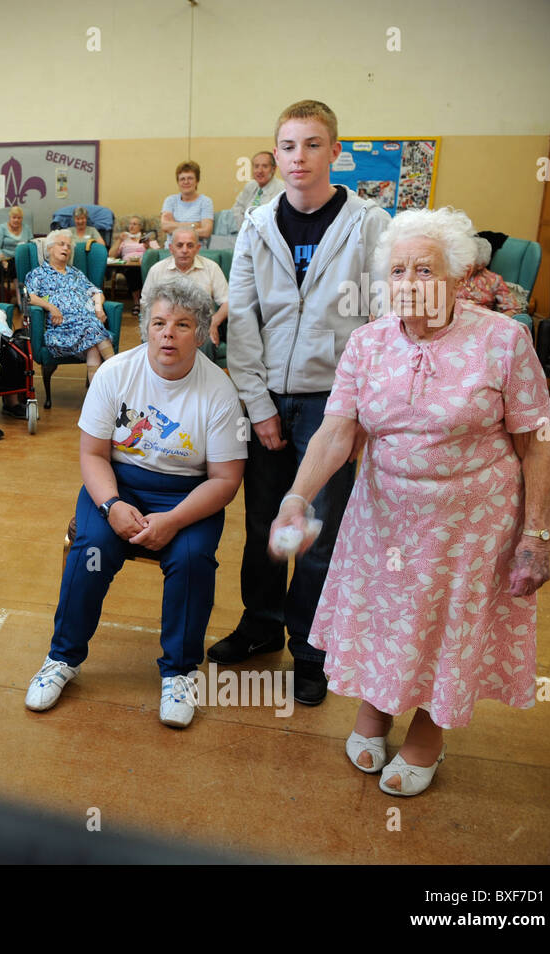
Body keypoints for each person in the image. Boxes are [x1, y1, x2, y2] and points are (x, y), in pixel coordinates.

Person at [271, 207, 550, 796]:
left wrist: (536, 534)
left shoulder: (504, 340)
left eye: (424, 270)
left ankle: (428, 732)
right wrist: (297, 497)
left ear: (458, 277)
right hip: (384, 515)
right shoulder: (369, 343)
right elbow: (337, 430)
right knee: (387, 617)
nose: (408, 283)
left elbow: (535, 443)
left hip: (471, 522)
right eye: (397, 271)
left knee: (445, 624)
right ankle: (375, 711)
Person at [216, 99, 390, 705]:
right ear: (275, 154)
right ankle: (259, 625)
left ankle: (310, 650)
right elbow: (243, 322)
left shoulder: (368, 224)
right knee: (264, 523)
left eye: (313, 144)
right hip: (268, 400)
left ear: (335, 151)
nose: (299, 157)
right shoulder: (258, 225)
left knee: (316, 528)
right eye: (288, 146)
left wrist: (357, 408)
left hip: (333, 405)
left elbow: (380, 321)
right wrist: (258, 405)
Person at [24, 279, 246, 727]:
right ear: (144, 326)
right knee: (91, 549)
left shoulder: (221, 392)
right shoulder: (114, 372)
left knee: (191, 559)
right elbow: (92, 454)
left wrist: (172, 521)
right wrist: (110, 506)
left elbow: (226, 480)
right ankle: (62, 657)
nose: (168, 334)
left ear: (201, 334)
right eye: (159, 322)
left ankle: (180, 672)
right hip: (118, 484)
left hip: (188, 494)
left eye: (182, 325)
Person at [24, 230, 114, 381]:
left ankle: (96, 396)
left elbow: (96, 292)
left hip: (88, 326)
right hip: (62, 329)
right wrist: (52, 307)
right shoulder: (39, 273)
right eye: (61, 244)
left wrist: (98, 308)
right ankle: (118, 373)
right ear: (50, 248)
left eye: (68, 246)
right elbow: (29, 297)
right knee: (94, 329)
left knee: (93, 347)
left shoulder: (76, 273)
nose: (66, 248)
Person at [141, 227, 229, 352]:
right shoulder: (157, 270)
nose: (184, 250)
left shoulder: (211, 268)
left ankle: (201, 372)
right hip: (166, 323)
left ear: (197, 248)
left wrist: (214, 323)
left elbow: (227, 302)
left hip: (200, 325)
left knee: (206, 341)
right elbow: (145, 303)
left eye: (190, 246)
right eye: (180, 245)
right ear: (171, 248)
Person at [456, 237, 525, 316]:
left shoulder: (494, 280)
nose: (462, 263)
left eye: (468, 260)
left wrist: (496, 322)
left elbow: (512, 309)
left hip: (480, 321)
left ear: (481, 265)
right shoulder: (453, 273)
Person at [108, 215, 157, 311]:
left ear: (140, 227)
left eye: (134, 224)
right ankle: (137, 302)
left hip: (144, 265)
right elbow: (111, 255)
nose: (131, 226)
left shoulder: (147, 239)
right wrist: (119, 240)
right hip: (128, 265)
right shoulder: (124, 240)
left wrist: (147, 246)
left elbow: (156, 254)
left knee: (140, 271)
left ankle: (141, 303)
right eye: (130, 224)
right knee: (132, 271)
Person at [159, 161, 215, 247]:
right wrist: (193, 225)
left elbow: (206, 232)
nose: (186, 182)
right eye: (182, 179)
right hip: (171, 252)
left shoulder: (206, 202)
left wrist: (174, 226)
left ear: (197, 181)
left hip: (197, 252)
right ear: (178, 182)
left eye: (190, 178)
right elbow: (165, 226)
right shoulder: (170, 200)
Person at [229, 151, 285, 231]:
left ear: (274, 169)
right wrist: (245, 228)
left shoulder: (282, 189)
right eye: (256, 166)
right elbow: (237, 208)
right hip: (246, 232)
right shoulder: (250, 186)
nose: (259, 171)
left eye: (265, 166)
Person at [0, 206, 31, 298]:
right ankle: (19, 297)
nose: (16, 220)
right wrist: (3, 260)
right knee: (9, 267)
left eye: (19, 218)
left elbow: (31, 245)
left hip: (21, 258)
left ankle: (20, 297)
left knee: (18, 264)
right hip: (5, 257)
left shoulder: (26, 229)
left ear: (22, 219)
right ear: (10, 218)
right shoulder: (2, 228)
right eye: (14, 217)